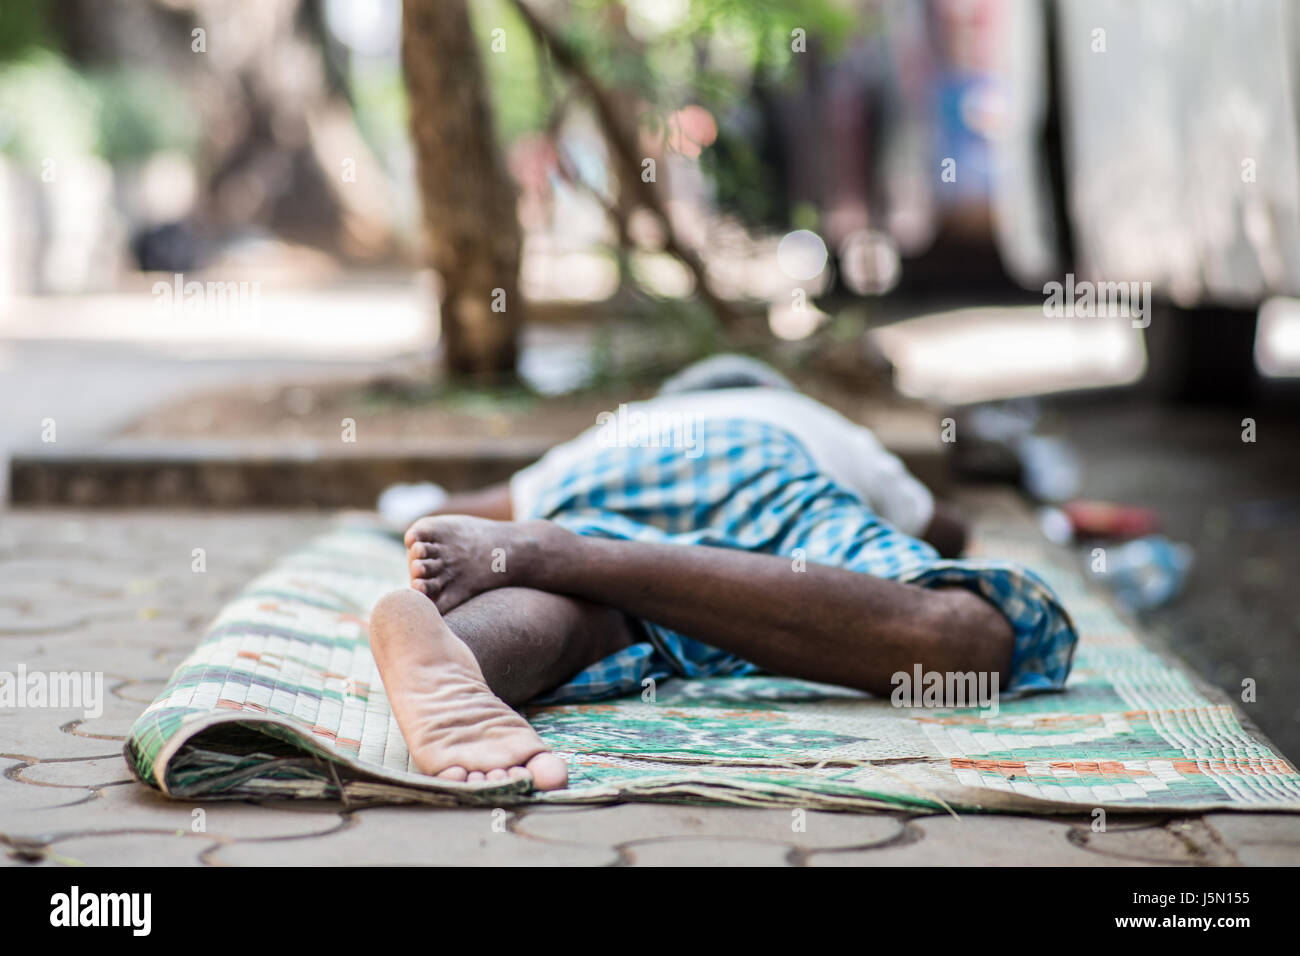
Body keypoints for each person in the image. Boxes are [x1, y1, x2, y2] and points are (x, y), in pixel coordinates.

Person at [368, 356, 1078, 791]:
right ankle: (570, 555)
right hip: (762, 475)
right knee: (970, 640)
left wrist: (412, 506)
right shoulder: (796, 412)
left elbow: (450, 511)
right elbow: (945, 529)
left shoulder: (607, 434)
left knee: (573, 617)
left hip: (595, 495)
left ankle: (461, 651)